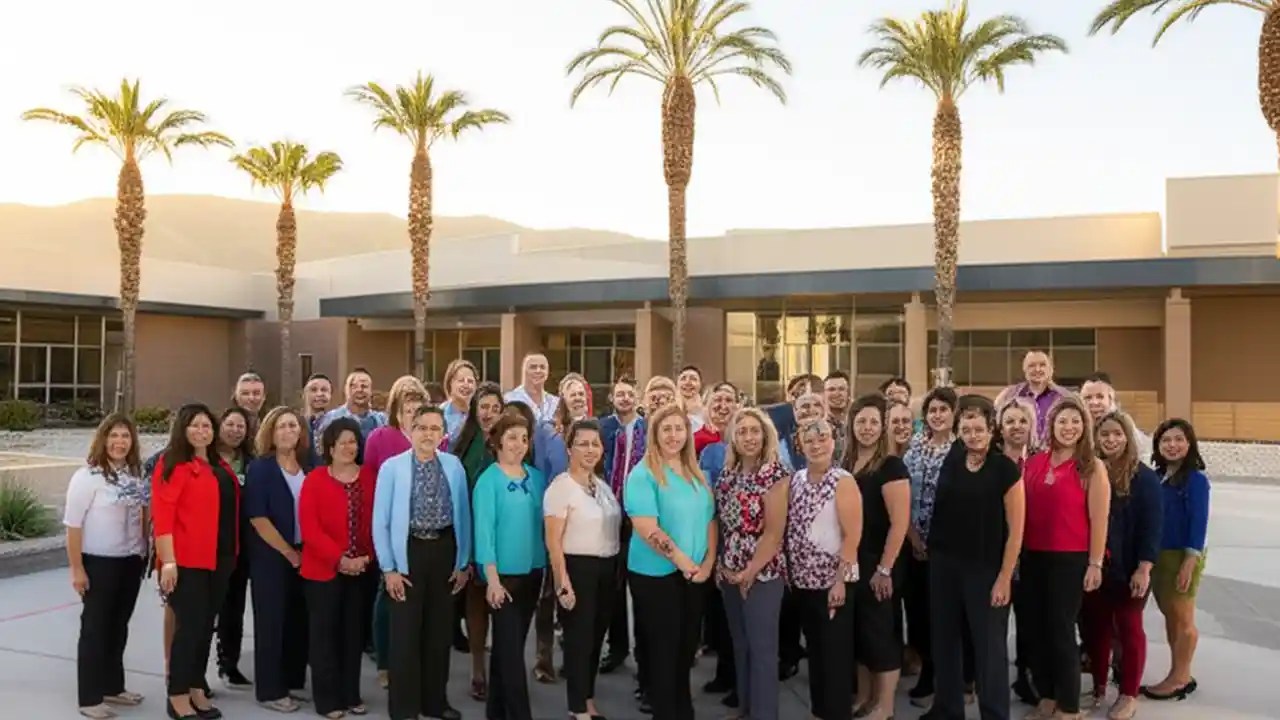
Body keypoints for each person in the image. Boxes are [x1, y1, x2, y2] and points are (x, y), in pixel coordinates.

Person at [924, 396, 1025, 720]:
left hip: (985, 570)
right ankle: (947, 708)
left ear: (991, 429)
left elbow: (1016, 530)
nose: (972, 435)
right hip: (945, 566)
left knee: (989, 649)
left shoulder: (1004, 469)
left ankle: (994, 714)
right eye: (966, 429)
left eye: (978, 429)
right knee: (945, 640)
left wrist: (1004, 577)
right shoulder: (953, 459)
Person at [373, 405, 472, 720]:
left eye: (434, 428)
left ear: (443, 433)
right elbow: (381, 522)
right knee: (405, 634)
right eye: (422, 428)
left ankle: (435, 702)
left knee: (439, 633)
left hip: (443, 551)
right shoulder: (392, 467)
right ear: (410, 431)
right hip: (408, 553)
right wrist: (388, 569)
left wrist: (463, 562)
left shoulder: (454, 466)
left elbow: (464, 517)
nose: (428, 434)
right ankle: (404, 708)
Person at [625, 403, 717, 720]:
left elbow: (710, 520)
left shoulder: (695, 473)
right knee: (663, 654)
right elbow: (648, 528)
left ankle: (683, 710)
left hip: (693, 576)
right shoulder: (643, 474)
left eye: (679, 428)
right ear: (655, 434)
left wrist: (707, 564)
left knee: (684, 651)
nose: (674, 435)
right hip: (656, 576)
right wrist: (682, 561)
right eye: (666, 429)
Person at [1021, 396, 1111, 720]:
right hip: (1032, 557)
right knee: (1034, 630)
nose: (1069, 427)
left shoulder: (1091, 467)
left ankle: (1069, 706)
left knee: (1060, 631)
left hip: (1070, 560)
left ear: (1084, 426)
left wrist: (1095, 563)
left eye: (1075, 421)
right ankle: (1046, 696)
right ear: (1051, 425)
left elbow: (1099, 520)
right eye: (1063, 421)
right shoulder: (1033, 462)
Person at [151, 403, 240, 720]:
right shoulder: (173, 464)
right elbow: (163, 516)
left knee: (204, 628)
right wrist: (168, 561)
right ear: (183, 429)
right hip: (187, 560)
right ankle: (176, 695)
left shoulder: (218, 464)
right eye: (195, 425)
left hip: (220, 558)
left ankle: (195, 687)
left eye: (207, 425)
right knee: (188, 630)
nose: (202, 431)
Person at [65, 414, 149, 719]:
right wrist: (77, 569)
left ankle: (113, 686)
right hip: (99, 563)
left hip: (130, 561)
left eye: (125, 436)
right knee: (95, 629)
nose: (119, 442)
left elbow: (143, 514)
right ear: (103, 439)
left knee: (118, 627)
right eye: (114, 436)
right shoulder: (87, 477)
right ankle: (89, 697)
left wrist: (145, 552)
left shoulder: (134, 475)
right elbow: (73, 526)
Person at [1084, 411, 1162, 719]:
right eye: (1105, 435)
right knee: (1097, 630)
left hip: (1130, 569)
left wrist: (1144, 567)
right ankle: (1100, 688)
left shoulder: (1145, 478)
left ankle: (1129, 693)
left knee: (1130, 630)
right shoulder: (1090, 471)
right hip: (1097, 568)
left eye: (1117, 434)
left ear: (1127, 437)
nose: (1111, 439)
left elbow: (1152, 527)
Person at [299, 417, 376, 719]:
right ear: (329, 448)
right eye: (342, 442)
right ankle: (328, 699)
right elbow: (310, 529)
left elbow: (375, 521)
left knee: (353, 635)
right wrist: (340, 559)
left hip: (362, 570)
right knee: (324, 636)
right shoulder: (315, 479)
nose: (348, 447)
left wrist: (366, 558)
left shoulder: (369, 476)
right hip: (323, 571)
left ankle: (351, 693)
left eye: (353, 442)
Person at [545, 419, 622, 720]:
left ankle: (587, 698)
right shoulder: (560, 488)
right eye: (582, 443)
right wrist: (563, 582)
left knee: (594, 639)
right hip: (578, 568)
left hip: (606, 568)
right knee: (578, 640)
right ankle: (577, 708)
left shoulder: (601, 486)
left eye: (595, 444)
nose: (590, 450)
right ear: (569, 449)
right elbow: (554, 543)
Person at [473, 413, 549, 720]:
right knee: (511, 655)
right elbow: (484, 534)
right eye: (512, 437)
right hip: (502, 578)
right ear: (497, 441)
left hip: (533, 572)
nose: (519, 444)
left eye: (524, 438)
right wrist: (491, 580)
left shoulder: (537, 477)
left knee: (510, 650)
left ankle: (496, 713)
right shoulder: (488, 481)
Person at [716, 407, 790, 720]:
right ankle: (745, 710)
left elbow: (774, 534)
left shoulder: (775, 475)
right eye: (742, 431)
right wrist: (724, 566)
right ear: (733, 437)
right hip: (729, 570)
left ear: (765, 436)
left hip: (764, 572)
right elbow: (721, 522)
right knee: (741, 645)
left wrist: (750, 572)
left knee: (762, 650)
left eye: (754, 431)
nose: (748, 437)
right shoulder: (727, 474)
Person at [785, 419, 862, 720]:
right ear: (800, 444)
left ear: (834, 441)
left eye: (823, 438)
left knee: (835, 657)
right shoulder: (797, 479)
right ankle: (819, 712)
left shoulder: (842, 481)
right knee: (816, 653)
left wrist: (841, 581)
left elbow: (852, 535)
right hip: (804, 582)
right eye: (809, 439)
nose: (816, 445)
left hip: (833, 583)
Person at [844, 394, 911, 720]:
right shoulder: (845, 463)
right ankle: (865, 697)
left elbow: (900, 523)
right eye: (861, 422)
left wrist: (884, 569)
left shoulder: (891, 466)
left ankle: (885, 706)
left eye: (873, 422)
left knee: (880, 633)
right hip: (851, 559)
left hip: (879, 561)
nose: (867, 428)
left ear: (882, 427)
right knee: (859, 633)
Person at [245, 406, 312, 712]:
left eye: (293, 426)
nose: (289, 431)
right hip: (272, 556)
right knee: (272, 621)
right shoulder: (261, 468)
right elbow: (258, 518)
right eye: (282, 426)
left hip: (305, 553)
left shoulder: (310, 464)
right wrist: (288, 552)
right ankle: (270, 690)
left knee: (297, 620)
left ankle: (291, 682)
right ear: (271, 432)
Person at [1142, 418, 1210, 704]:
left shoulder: (1195, 479)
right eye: (1166, 440)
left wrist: (1190, 560)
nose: (1172, 445)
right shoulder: (1158, 476)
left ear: (1190, 443)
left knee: (1183, 619)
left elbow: (1198, 521)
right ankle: (1177, 671)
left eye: (1178, 439)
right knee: (1171, 616)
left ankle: (1181, 677)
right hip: (1159, 556)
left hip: (1181, 556)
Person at [451, 382, 507, 701]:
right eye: (483, 407)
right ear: (475, 410)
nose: (489, 413)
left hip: (505, 535)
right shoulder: (463, 443)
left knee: (502, 604)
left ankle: (503, 668)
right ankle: (477, 669)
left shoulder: (511, 441)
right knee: (476, 605)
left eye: (495, 407)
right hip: (472, 533)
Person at [211, 407, 255, 692]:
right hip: (212, 545)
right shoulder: (206, 460)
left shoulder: (251, 462)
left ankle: (230, 664)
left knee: (234, 608)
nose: (236, 430)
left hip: (243, 546)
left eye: (241, 426)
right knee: (206, 610)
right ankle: (192, 676)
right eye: (230, 424)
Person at [505, 352, 560, 426]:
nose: (538, 371)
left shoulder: (556, 402)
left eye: (542, 367)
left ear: (547, 372)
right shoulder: (510, 399)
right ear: (524, 371)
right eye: (533, 367)